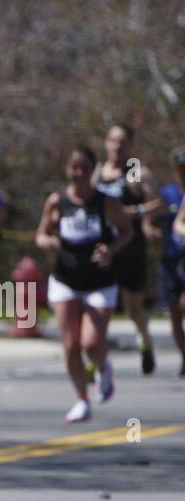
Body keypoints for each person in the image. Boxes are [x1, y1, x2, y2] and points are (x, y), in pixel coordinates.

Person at [35, 145, 133, 423]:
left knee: (91, 342)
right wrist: (48, 242)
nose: (78, 173)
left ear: (93, 171)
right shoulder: (57, 201)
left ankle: (103, 368)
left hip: (99, 281)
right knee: (70, 345)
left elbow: (127, 231)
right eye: (73, 167)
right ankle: (81, 400)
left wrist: (110, 251)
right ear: (67, 170)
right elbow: (41, 234)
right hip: (65, 279)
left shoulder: (106, 203)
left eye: (84, 168)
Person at [94, 123, 161, 374]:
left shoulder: (132, 169)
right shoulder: (99, 171)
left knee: (133, 307)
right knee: (100, 305)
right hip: (104, 247)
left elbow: (150, 202)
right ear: (106, 142)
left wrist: (140, 217)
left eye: (122, 141)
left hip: (130, 246)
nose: (116, 146)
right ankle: (94, 357)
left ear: (130, 145)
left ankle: (145, 340)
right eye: (112, 140)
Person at [144, 146, 185, 376]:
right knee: (174, 313)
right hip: (170, 261)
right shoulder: (168, 194)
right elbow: (149, 216)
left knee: (183, 304)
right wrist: (149, 228)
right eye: (181, 168)